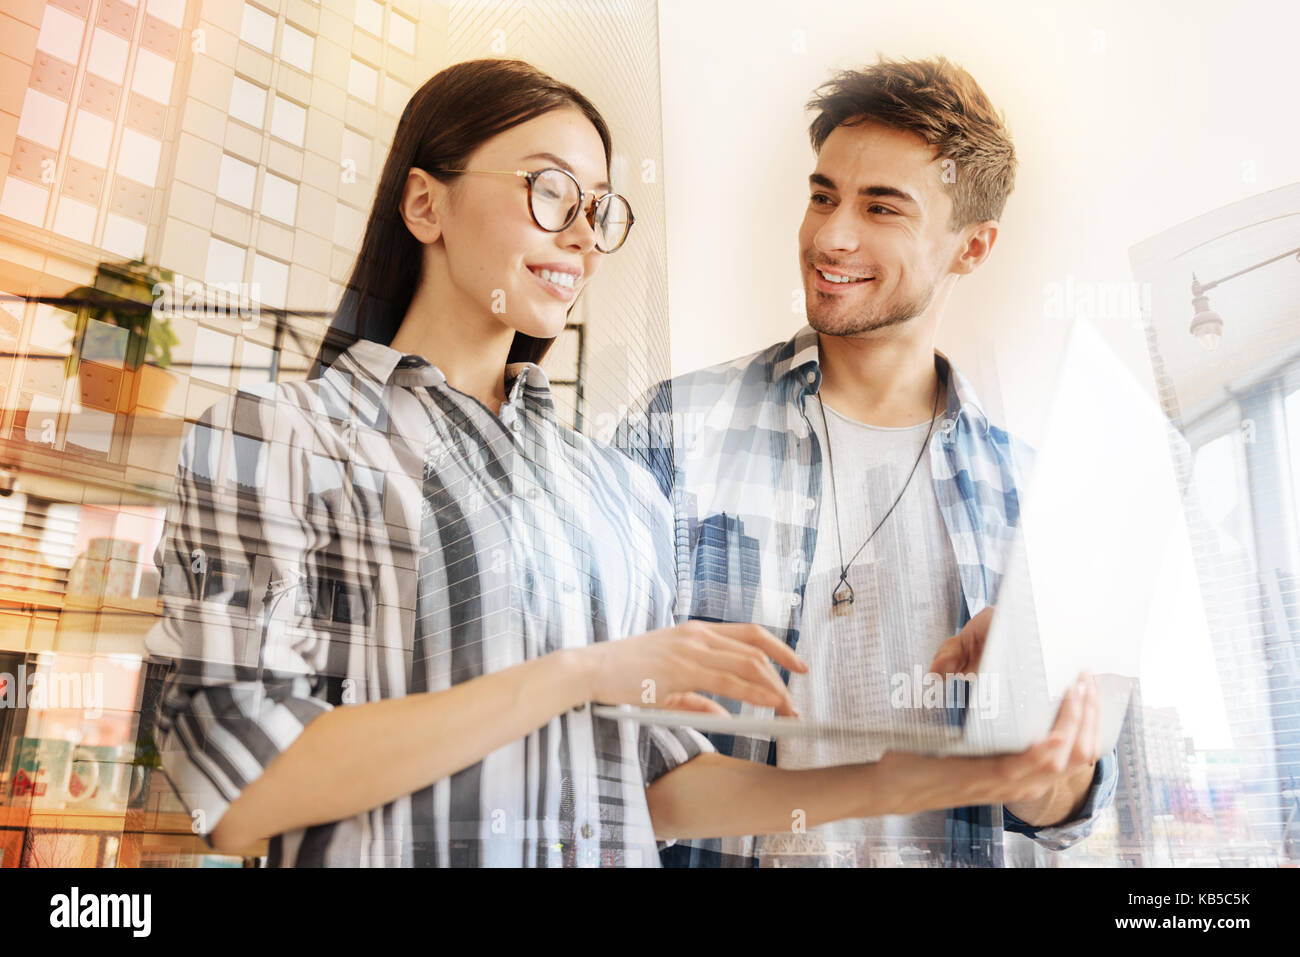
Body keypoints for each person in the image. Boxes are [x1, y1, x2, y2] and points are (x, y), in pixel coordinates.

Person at [144, 58, 1103, 868]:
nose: (578, 234)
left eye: (596, 208)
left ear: (972, 248)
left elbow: (662, 789)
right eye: (548, 190)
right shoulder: (276, 436)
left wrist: (940, 775)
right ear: (424, 201)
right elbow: (236, 789)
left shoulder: (603, 488)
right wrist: (582, 672)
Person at [635, 55, 1117, 868]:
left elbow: (1064, 813)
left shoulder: (1028, 493)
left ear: (972, 247)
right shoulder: (679, 427)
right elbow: (610, 756)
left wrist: (1044, 777)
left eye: (880, 207)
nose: (830, 235)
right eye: (822, 194)